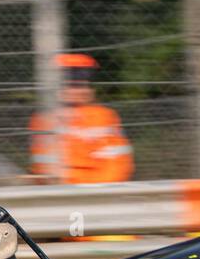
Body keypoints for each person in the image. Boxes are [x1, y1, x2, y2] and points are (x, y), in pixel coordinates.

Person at [29, 53, 134, 184]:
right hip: (63, 190)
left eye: (84, 84)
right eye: (74, 85)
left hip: (102, 187)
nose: (82, 90)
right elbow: (45, 167)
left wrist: (99, 187)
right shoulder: (43, 120)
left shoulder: (105, 116)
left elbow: (119, 162)